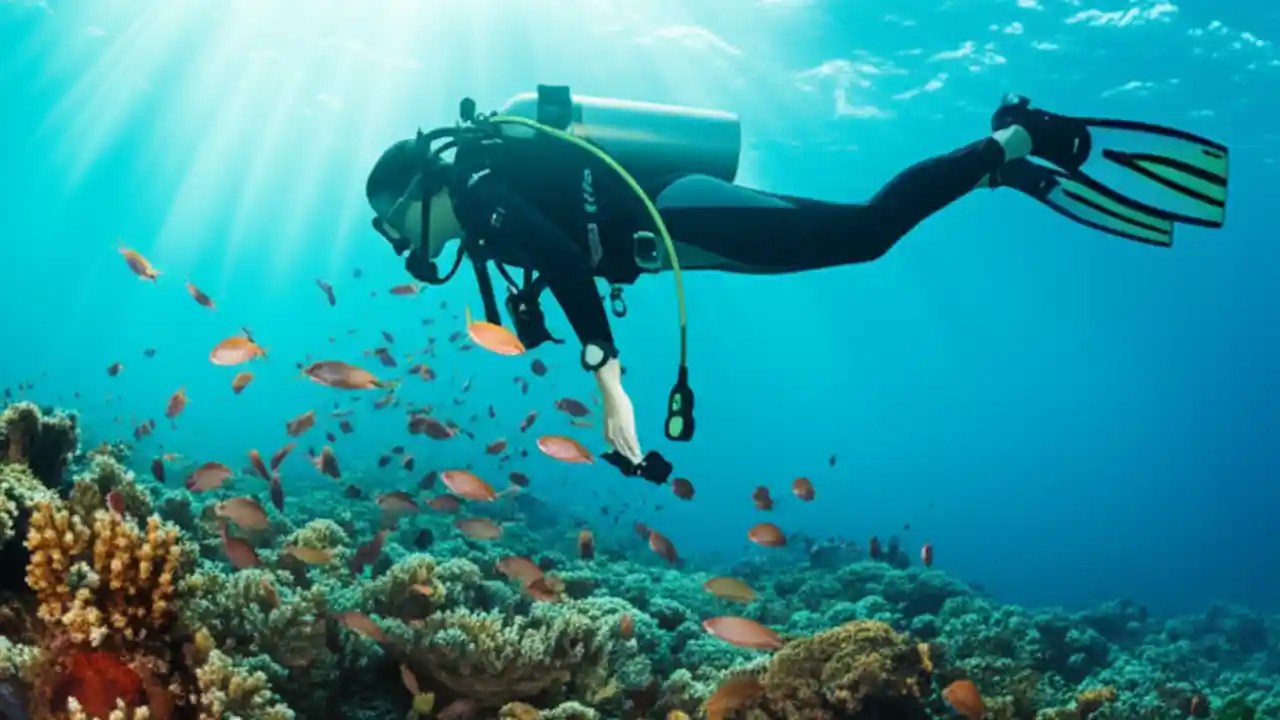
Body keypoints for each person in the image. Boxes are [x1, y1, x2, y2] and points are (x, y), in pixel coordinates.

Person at [365, 88, 1229, 470]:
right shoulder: (484, 194)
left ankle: (1011, 141)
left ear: (418, 192)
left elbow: (559, 257)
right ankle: (990, 166)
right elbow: (554, 253)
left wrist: (610, 384)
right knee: (860, 234)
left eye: (396, 221)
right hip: (678, 228)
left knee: (863, 234)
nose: (406, 242)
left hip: (682, 213)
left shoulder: (476, 194)